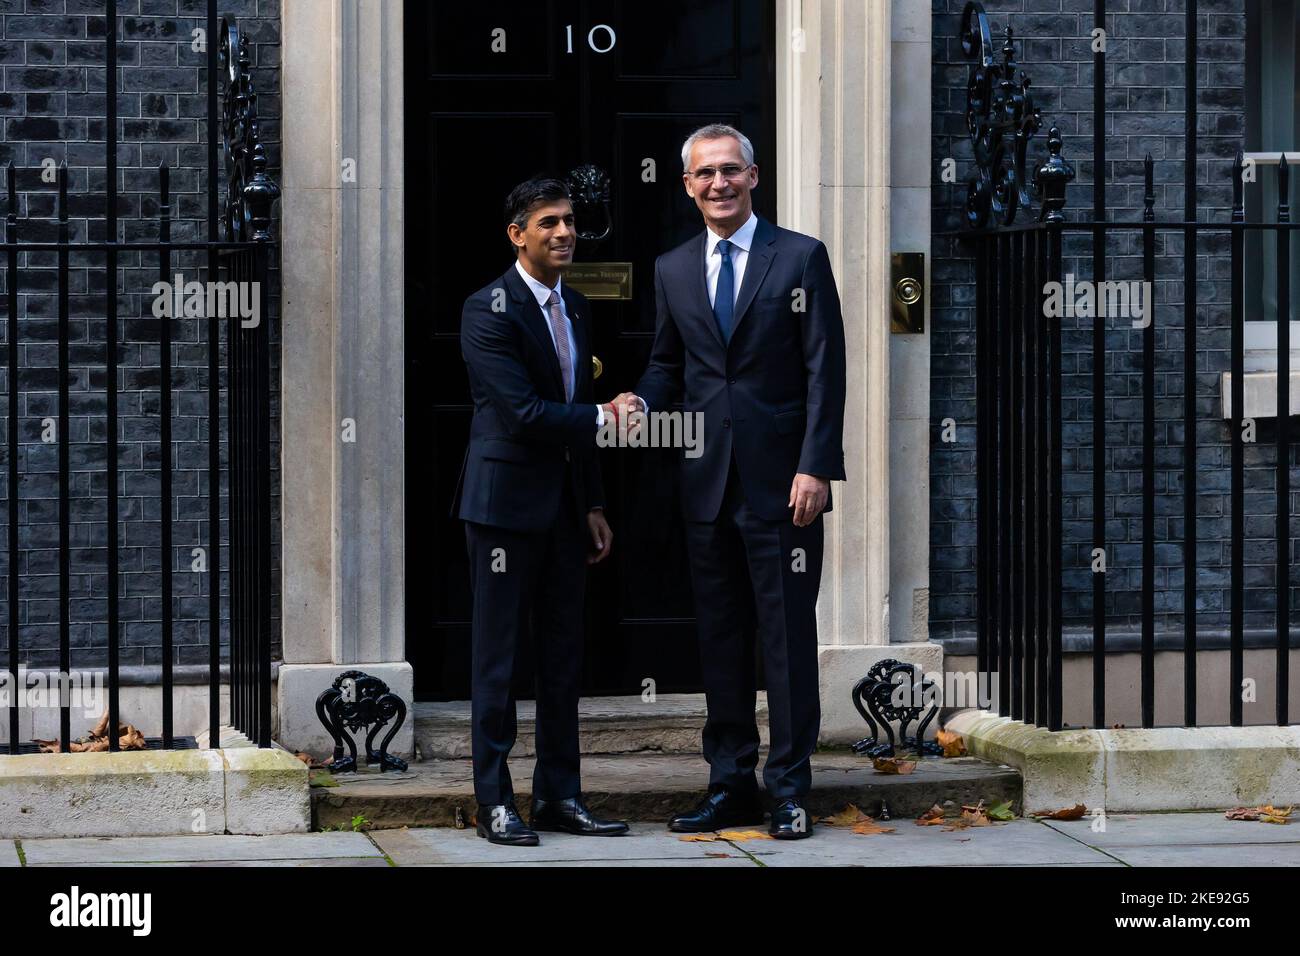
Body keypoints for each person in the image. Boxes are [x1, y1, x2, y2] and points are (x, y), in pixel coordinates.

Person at [629, 124, 847, 839]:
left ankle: (787, 789)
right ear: (687, 185)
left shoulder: (801, 258)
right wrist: (639, 401)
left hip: (785, 487)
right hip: (704, 487)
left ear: (754, 176)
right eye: (704, 174)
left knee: (784, 641)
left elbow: (825, 369)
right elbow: (669, 364)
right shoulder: (673, 267)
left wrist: (816, 464)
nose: (718, 184)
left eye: (730, 171)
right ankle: (730, 785)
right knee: (720, 642)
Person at [454, 176, 637, 845]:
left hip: (563, 511)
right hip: (503, 510)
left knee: (562, 658)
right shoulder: (487, 309)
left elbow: (569, 421)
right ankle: (494, 801)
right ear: (517, 234)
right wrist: (605, 415)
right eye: (549, 223)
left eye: (570, 222)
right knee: (498, 660)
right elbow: (526, 415)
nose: (565, 233)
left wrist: (591, 501)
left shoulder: (579, 306)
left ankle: (561, 795)